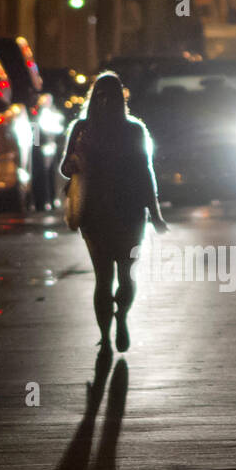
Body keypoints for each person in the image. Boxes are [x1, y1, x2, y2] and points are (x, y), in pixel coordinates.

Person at [59, 71, 167, 353]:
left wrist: (155, 214)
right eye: (100, 95)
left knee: (126, 274)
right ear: (93, 98)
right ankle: (106, 336)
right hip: (94, 212)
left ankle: (121, 318)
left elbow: (145, 172)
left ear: (120, 98)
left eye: (111, 95)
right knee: (104, 277)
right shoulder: (81, 128)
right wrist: (73, 164)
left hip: (129, 210)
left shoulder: (133, 130)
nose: (105, 101)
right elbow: (65, 167)